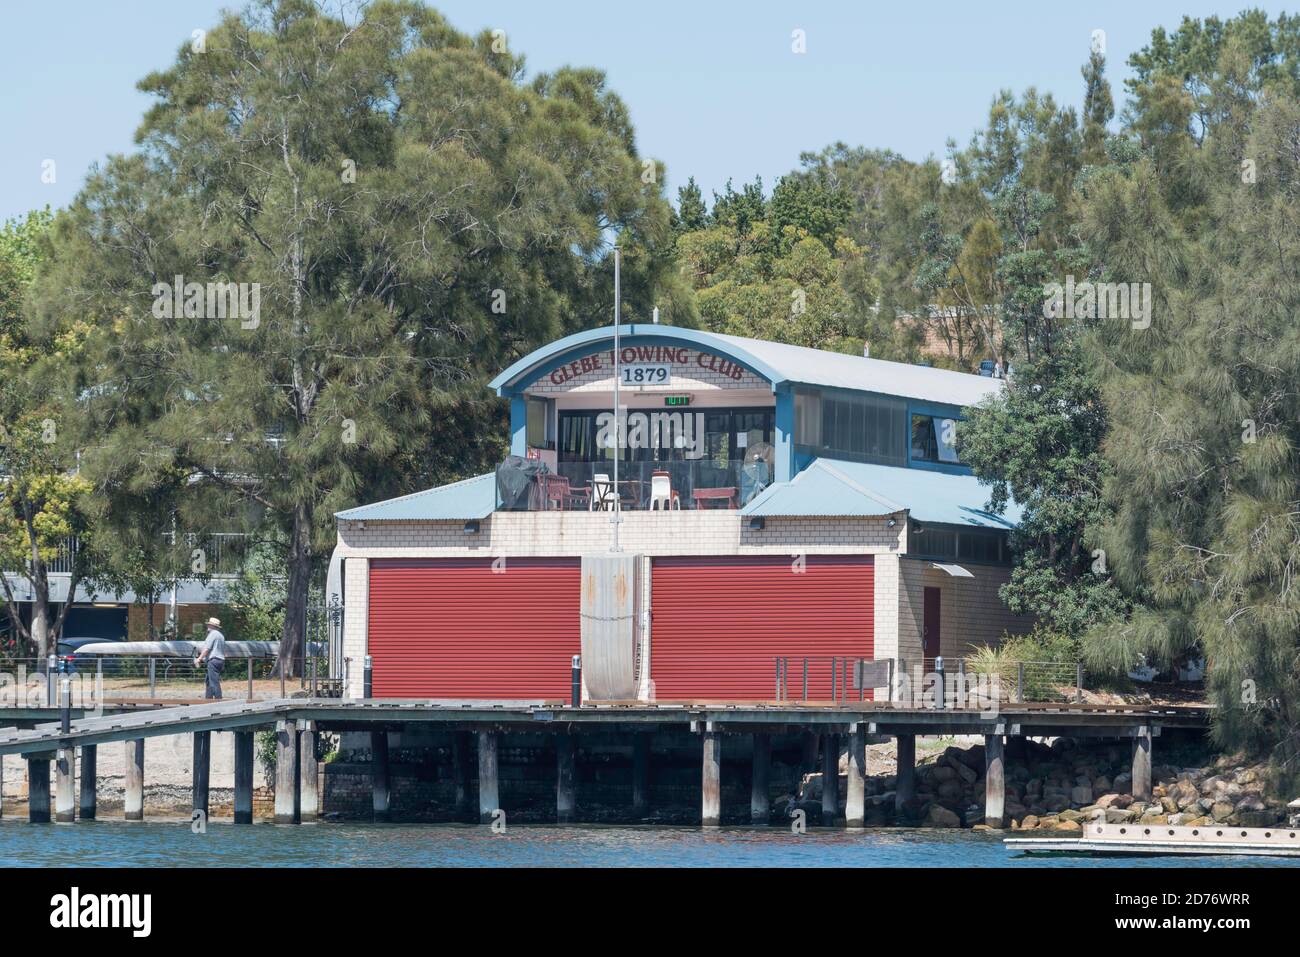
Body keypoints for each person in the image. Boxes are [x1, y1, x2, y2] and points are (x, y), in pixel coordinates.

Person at [196, 617, 227, 700]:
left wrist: (199, 658)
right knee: (209, 680)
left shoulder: (213, 634)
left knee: (213, 681)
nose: (208, 626)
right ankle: (208, 698)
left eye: (210, 625)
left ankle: (218, 699)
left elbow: (207, 648)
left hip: (213, 660)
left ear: (213, 626)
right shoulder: (221, 636)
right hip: (220, 660)